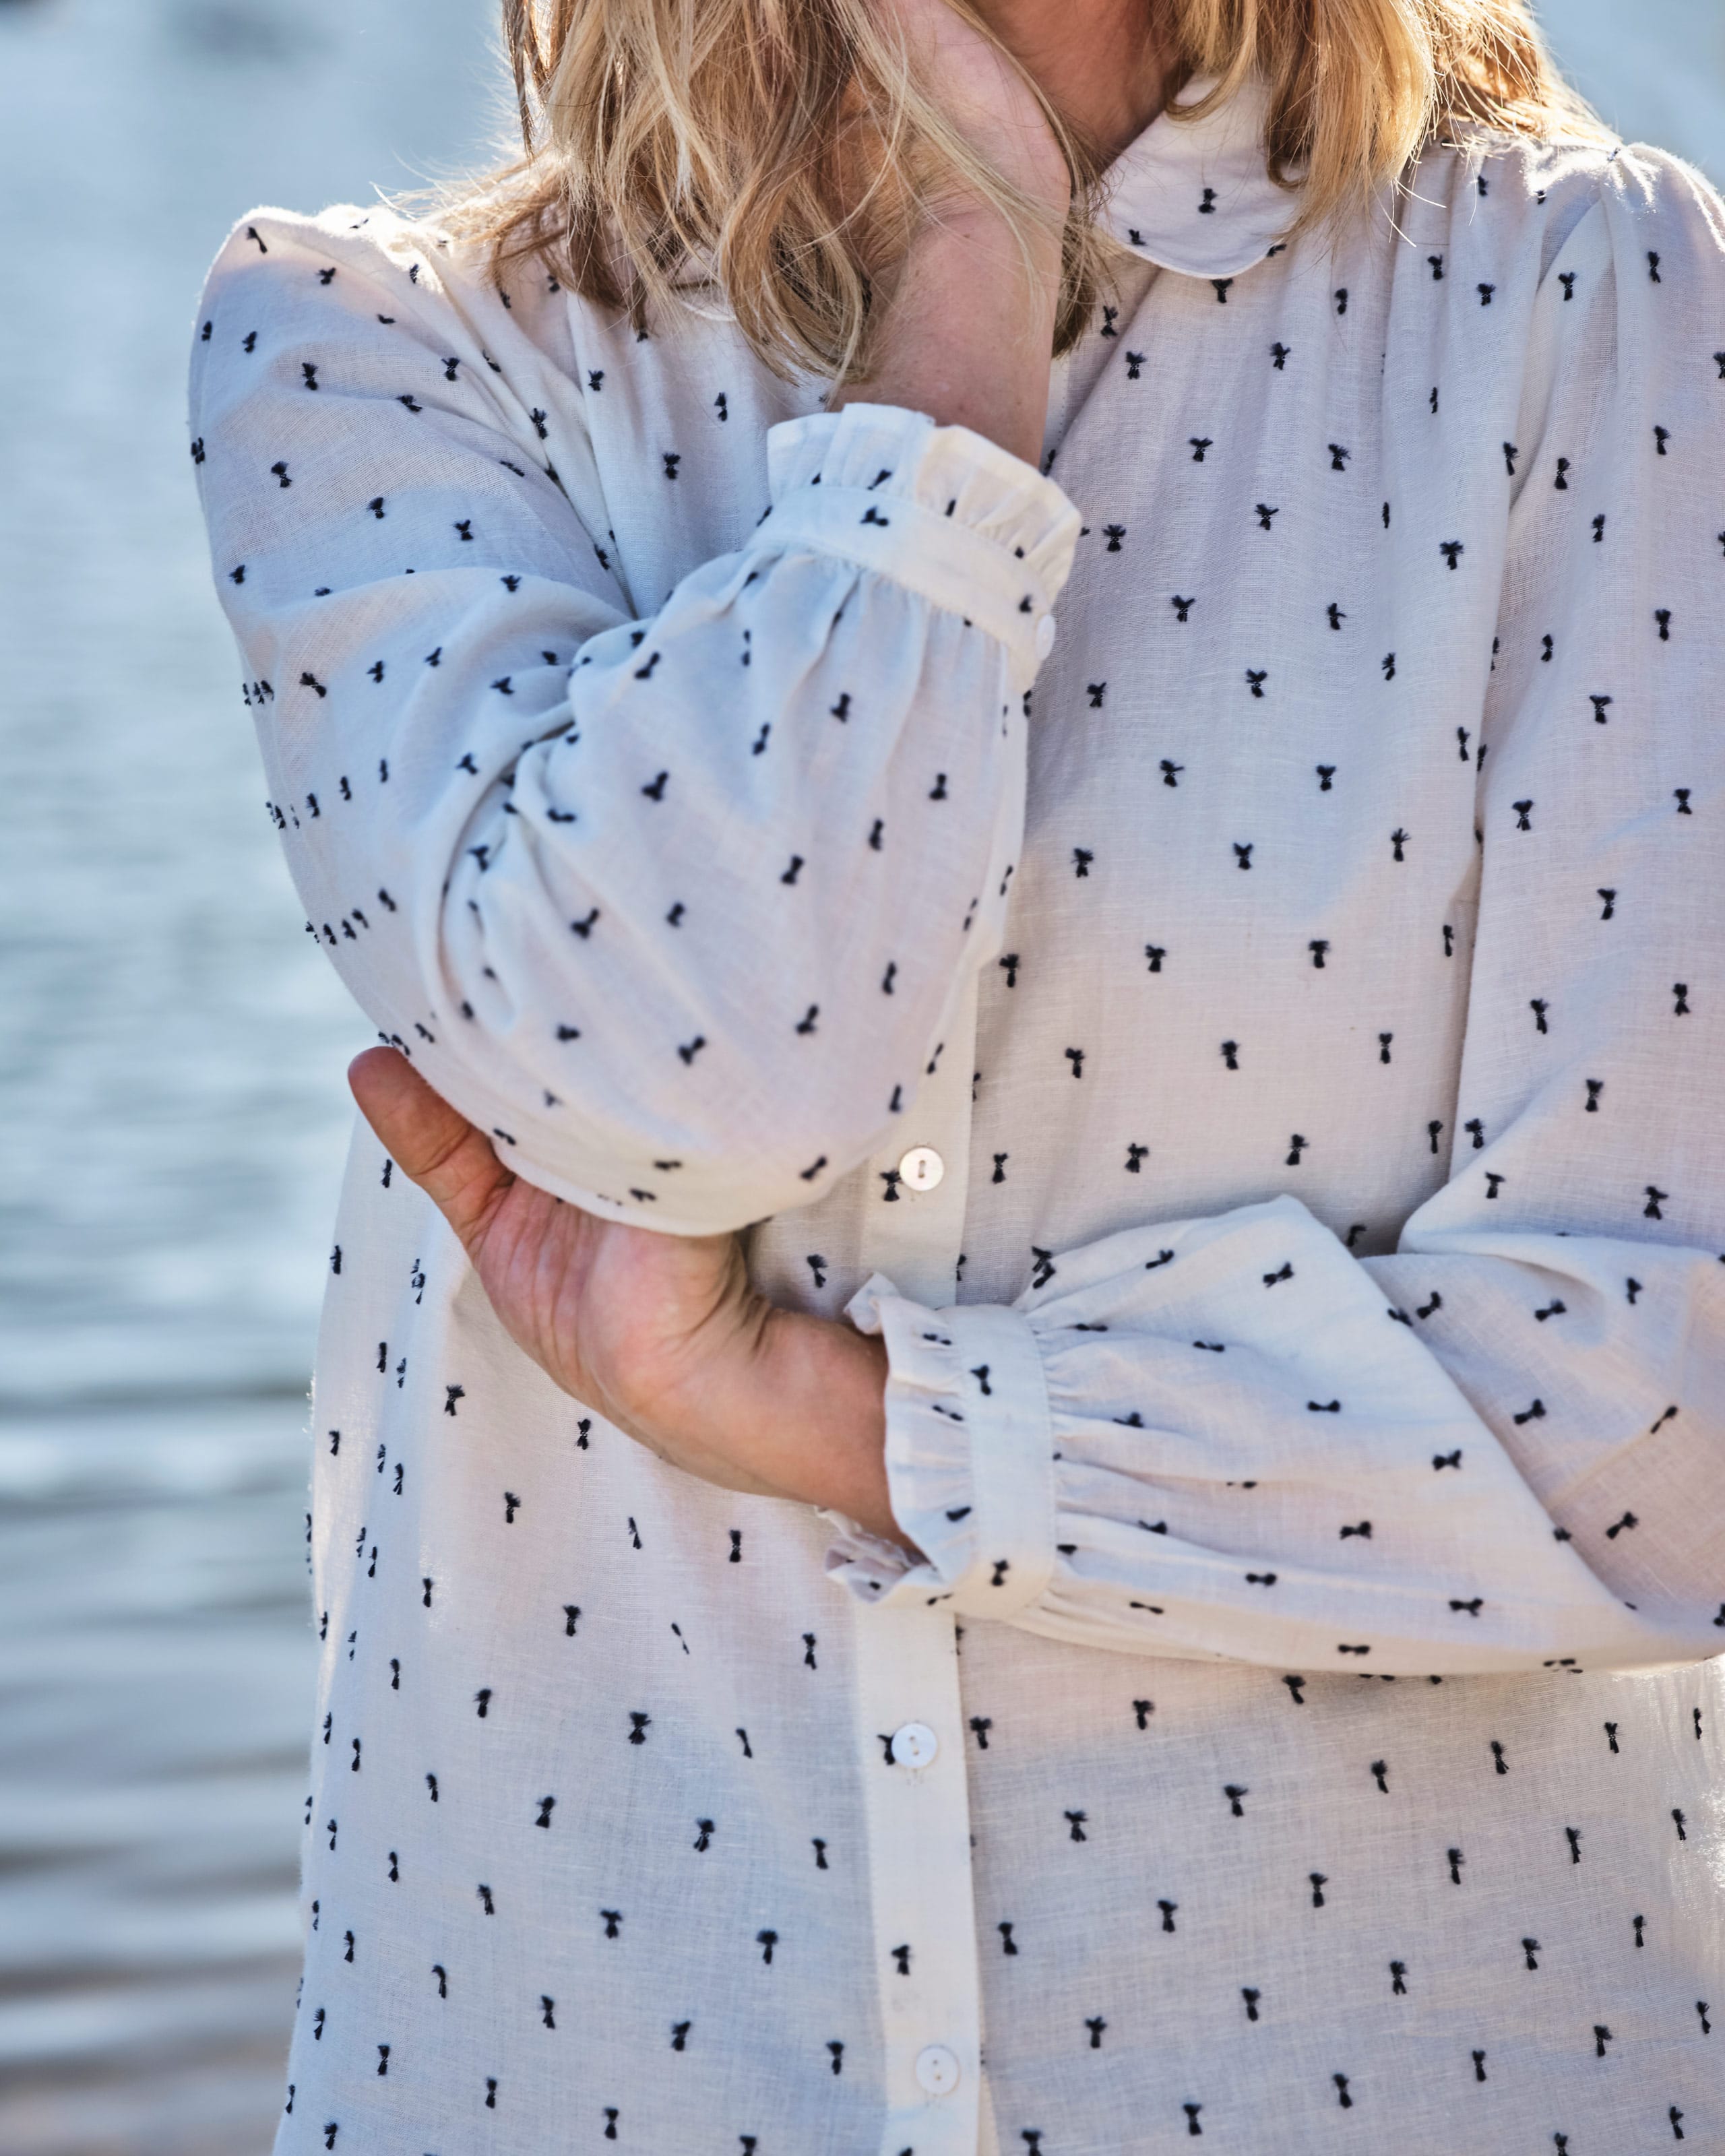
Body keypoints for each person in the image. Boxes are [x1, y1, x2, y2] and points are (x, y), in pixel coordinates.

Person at [188, 0, 1725, 2145]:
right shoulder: (387, 350)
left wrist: (871, 1427)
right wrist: (962, 299)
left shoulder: (1588, 299)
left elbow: (1666, 1427)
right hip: (576, 2073)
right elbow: (708, 1079)